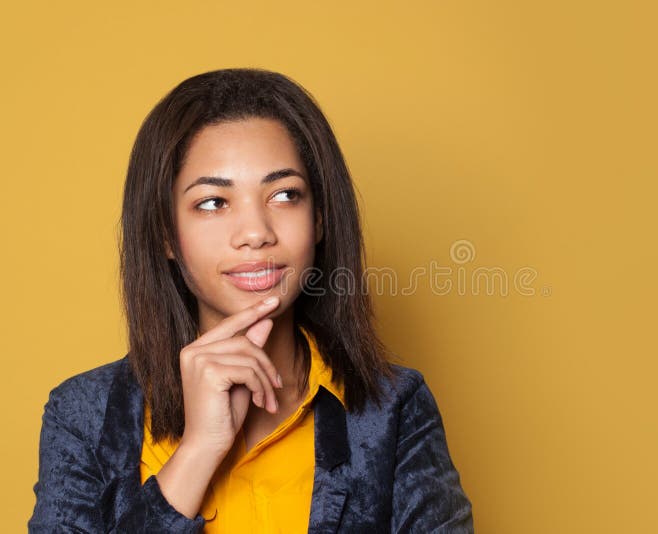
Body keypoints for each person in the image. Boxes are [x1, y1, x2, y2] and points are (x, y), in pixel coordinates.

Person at [28, 68, 473, 533]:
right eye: (213, 202)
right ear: (165, 234)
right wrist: (199, 450)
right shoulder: (85, 414)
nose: (256, 233)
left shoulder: (394, 408)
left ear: (319, 219)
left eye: (284, 195)